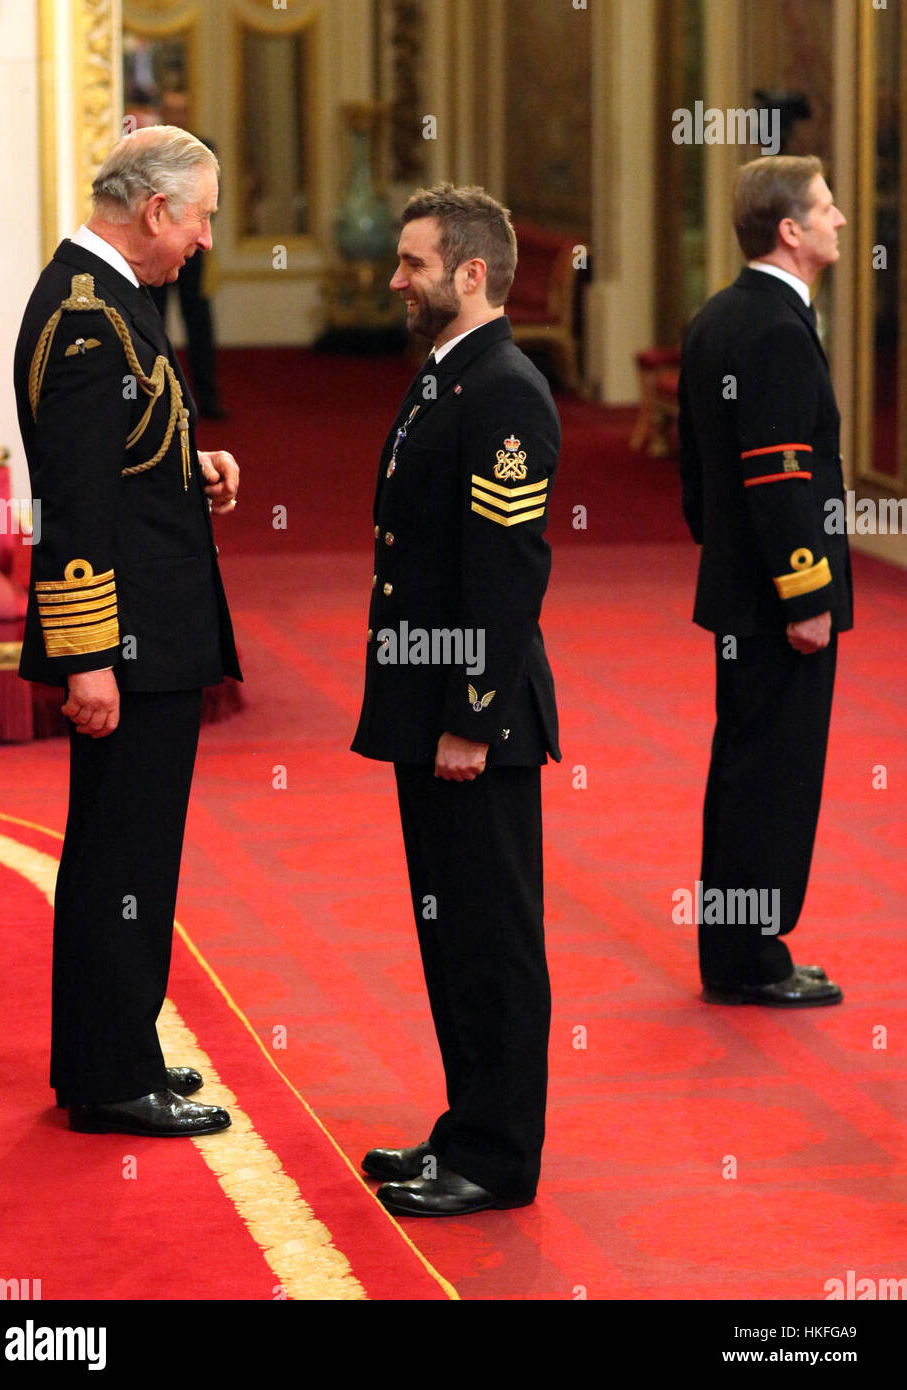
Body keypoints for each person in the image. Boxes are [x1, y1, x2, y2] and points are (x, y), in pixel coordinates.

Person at [14, 125, 242, 1134]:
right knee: (122, 854)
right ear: (157, 211)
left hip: (151, 627)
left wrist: (187, 465)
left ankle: (119, 1045)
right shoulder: (86, 318)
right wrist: (89, 655)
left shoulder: (111, 300)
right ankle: (110, 1077)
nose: (201, 243)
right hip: (129, 641)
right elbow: (74, 504)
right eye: (199, 221)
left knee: (135, 851)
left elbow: (117, 456)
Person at [352, 184, 562, 1215]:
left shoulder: (505, 389)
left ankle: (496, 1155)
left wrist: (472, 715)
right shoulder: (446, 377)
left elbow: (506, 573)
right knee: (451, 933)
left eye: (412, 263)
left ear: (469, 273)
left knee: (492, 937)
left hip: (472, 714)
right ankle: (461, 1129)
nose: (395, 280)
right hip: (425, 699)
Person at [677, 155, 852, 1006]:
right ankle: (748, 956)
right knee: (772, 776)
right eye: (826, 208)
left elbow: (698, 483)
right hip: (782, 602)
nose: (841, 221)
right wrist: (806, 596)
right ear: (790, 229)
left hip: (741, 591)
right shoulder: (778, 330)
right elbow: (783, 481)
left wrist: (737, 568)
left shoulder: (719, 318)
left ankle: (738, 945)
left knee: (745, 768)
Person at [147, 91, 226, 419]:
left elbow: (213, 200)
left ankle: (206, 397)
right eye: (171, 110)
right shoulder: (149, 152)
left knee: (200, 325)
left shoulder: (203, 150)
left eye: (182, 110)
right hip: (157, 249)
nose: (177, 115)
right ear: (163, 112)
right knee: (154, 324)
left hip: (193, 250)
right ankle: (158, 399)